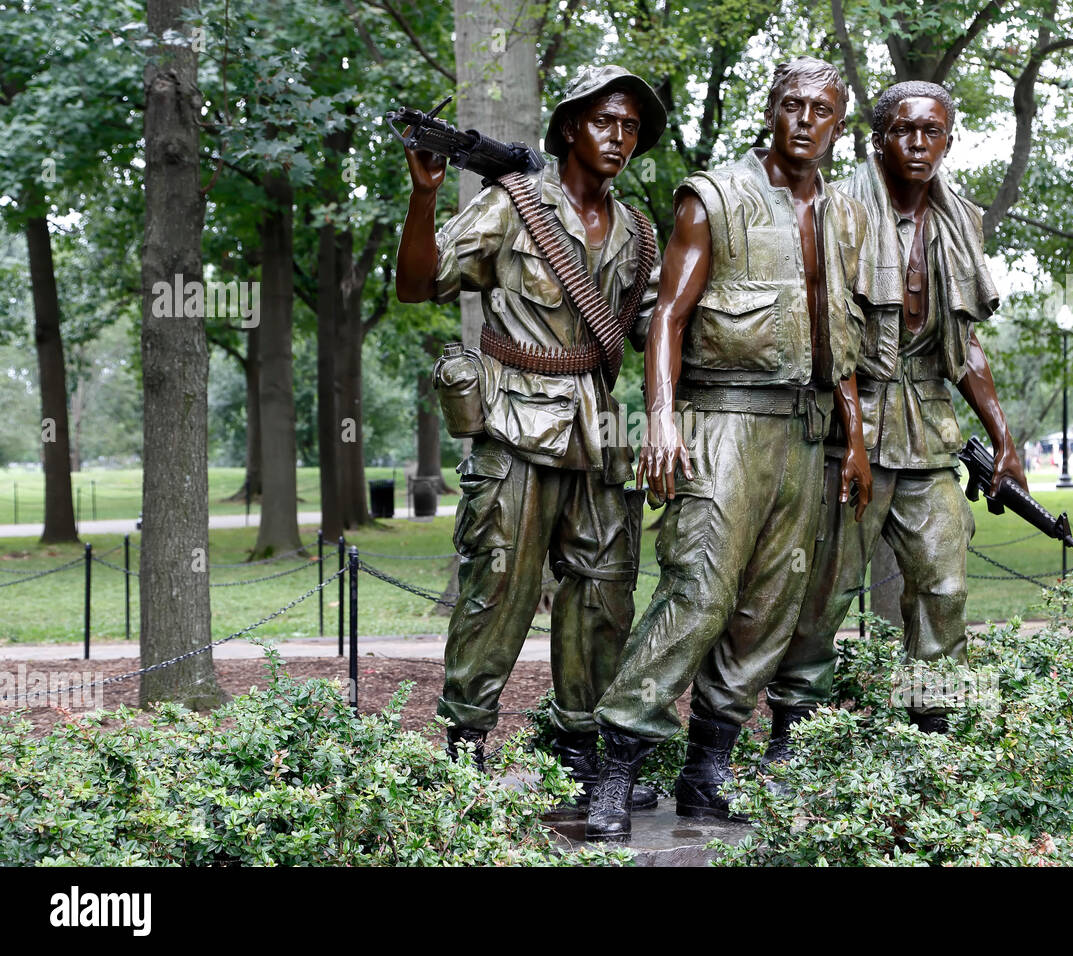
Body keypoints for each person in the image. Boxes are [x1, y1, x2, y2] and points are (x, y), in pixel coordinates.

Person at [583, 56, 873, 842]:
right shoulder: (713, 196)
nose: (806, 120)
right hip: (723, 419)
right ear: (771, 110)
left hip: (807, 432)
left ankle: (708, 770)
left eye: (822, 110)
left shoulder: (846, 214)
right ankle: (616, 768)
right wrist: (662, 418)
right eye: (793, 105)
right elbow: (669, 318)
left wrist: (853, 432)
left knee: (767, 608)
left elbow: (840, 330)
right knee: (700, 593)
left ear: (838, 126)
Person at [394, 65, 665, 814]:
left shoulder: (640, 231)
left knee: (603, 594)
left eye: (633, 128)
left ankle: (581, 749)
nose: (619, 138)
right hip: (513, 422)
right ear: (571, 126)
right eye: (606, 121)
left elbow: (655, 332)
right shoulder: (513, 206)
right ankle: (464, 747)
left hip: (599, 433)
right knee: (499, 587)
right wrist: (424, 196)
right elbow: (419, 284)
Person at [764, 80, 1028, 751]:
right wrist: (852, 434)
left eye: (931, 132)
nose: (918, 144)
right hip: (849, 422)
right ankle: (793, 731)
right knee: (827, 589)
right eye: (903, 131)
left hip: (929, 428)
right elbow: (827, 330)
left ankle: (932, 729)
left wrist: (1003, 435)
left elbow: (963, 342)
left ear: (948, 139)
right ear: (877, 139)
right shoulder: (839, 207)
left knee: (944, 581)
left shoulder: (956, 220)